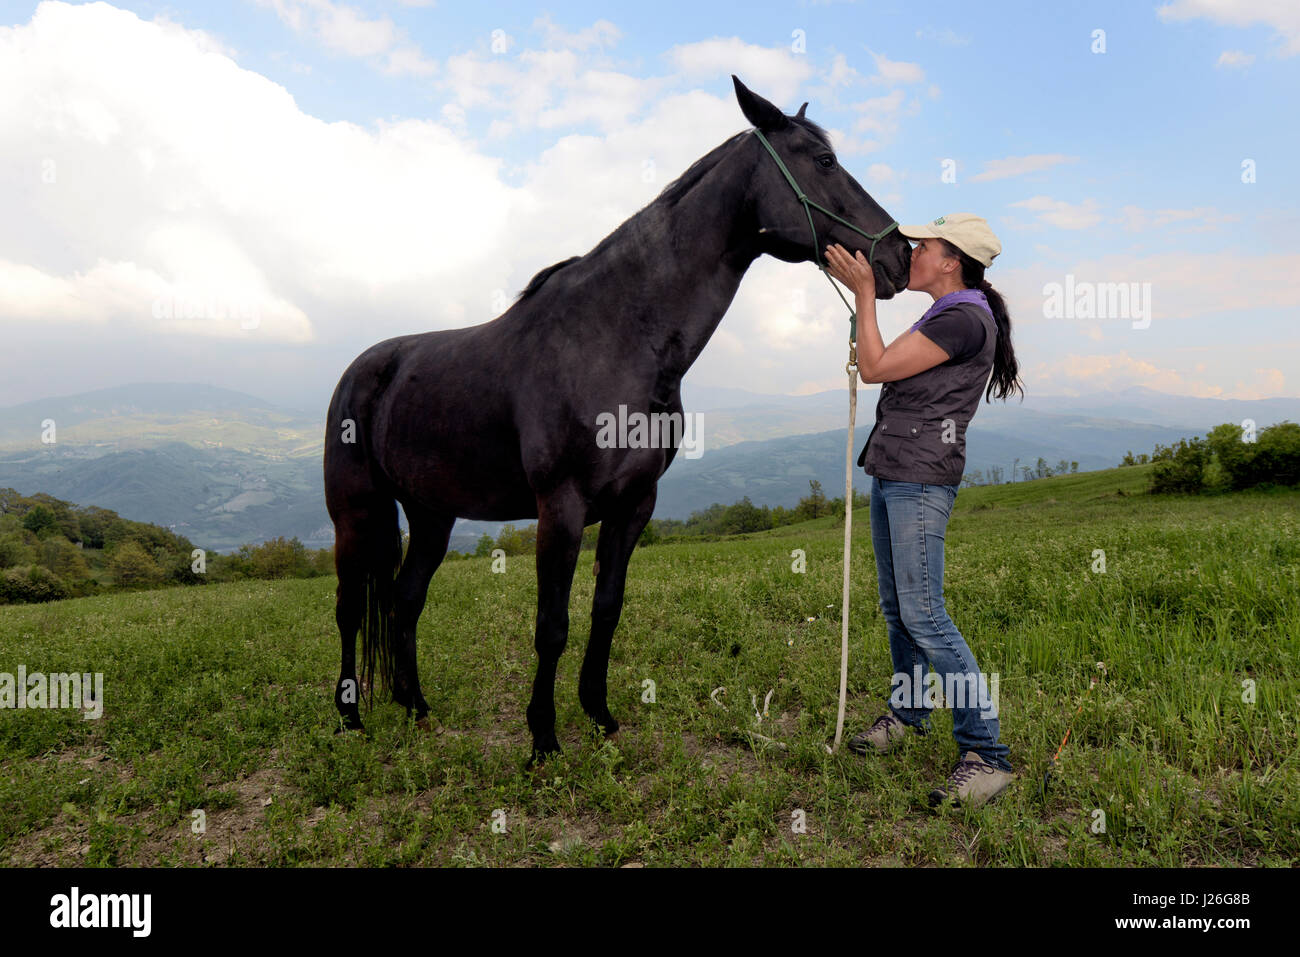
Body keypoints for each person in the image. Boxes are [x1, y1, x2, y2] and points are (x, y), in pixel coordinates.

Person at [824, 213, 1023, 809]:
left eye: (923, 245)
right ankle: (907, 716)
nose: (911, 252)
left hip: (917, 478)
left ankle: (987, 757)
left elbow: (879, 365)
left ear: (951, 259)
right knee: (900, 611)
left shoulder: (963, 316)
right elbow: (882, 362)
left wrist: (864, 294)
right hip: (896, 470)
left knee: (925, 615)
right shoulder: (949, 312)